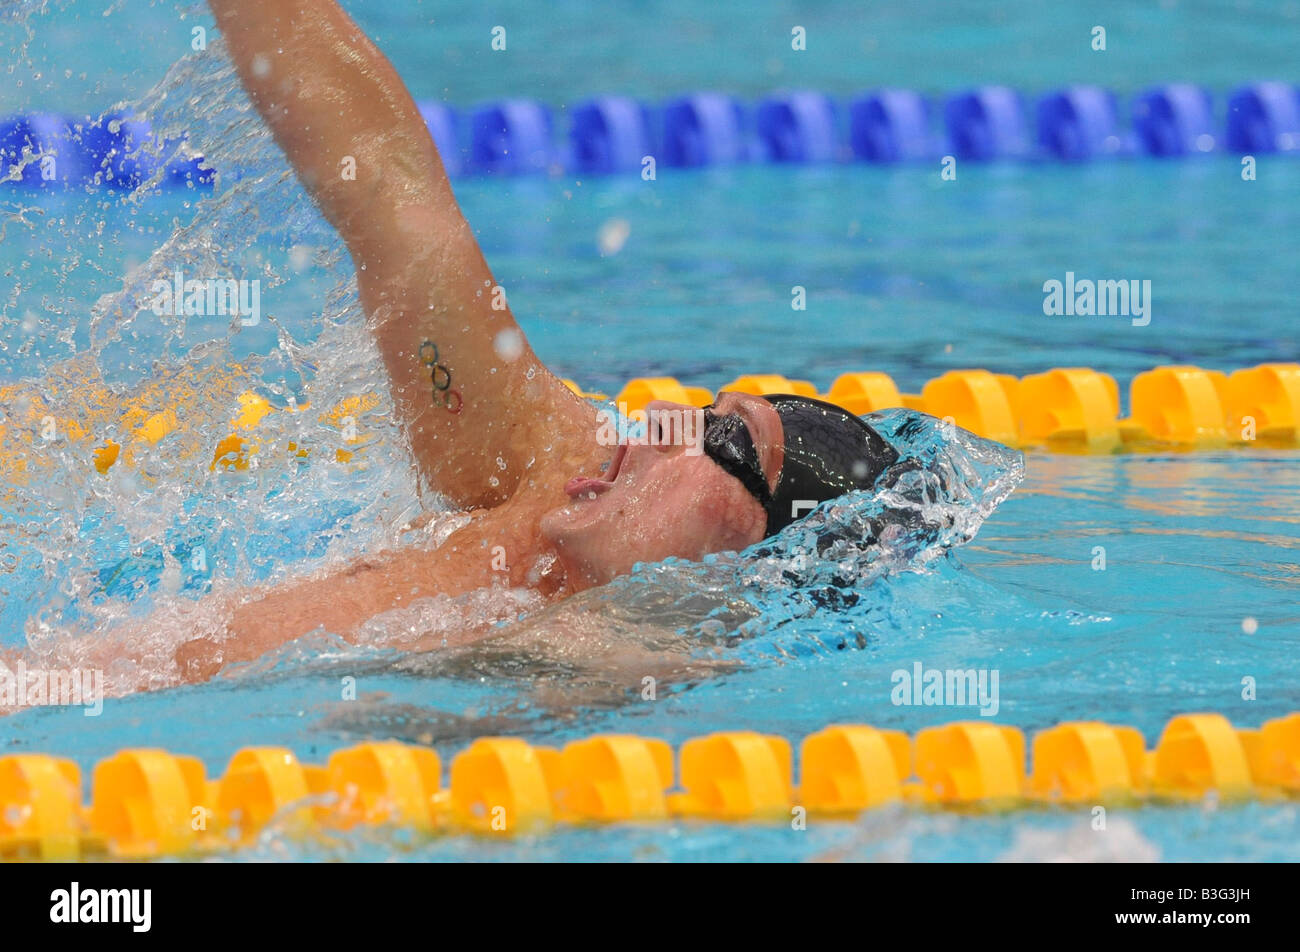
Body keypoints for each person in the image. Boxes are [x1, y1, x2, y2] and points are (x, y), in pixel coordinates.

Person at [161, 0, 901, 681]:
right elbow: (387, 186)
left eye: (730, 441)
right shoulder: (539, 465)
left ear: (763, 562)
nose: (659, 421)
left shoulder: (643, 704)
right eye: (707, 409)